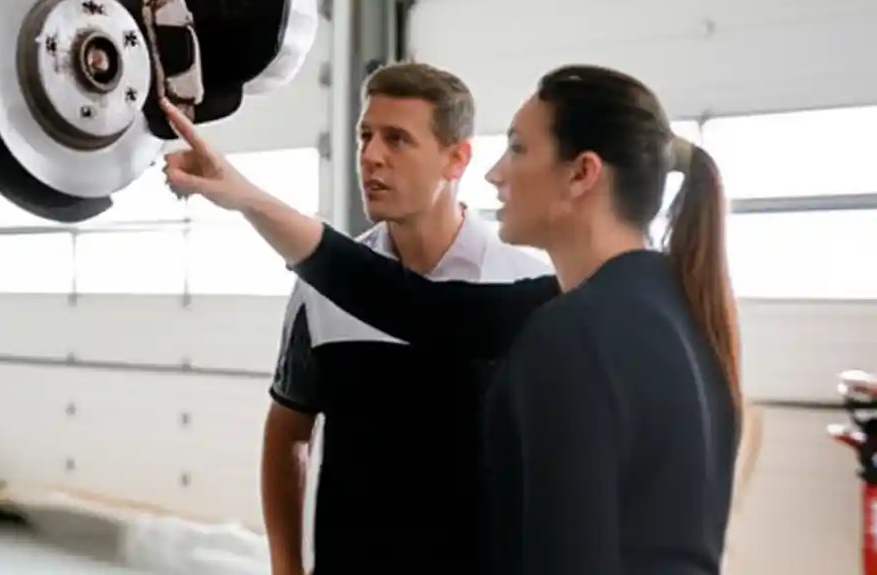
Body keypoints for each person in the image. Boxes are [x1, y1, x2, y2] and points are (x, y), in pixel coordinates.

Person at [159, 64, 741, 575]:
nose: (495, 174)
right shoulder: (660, 306)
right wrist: (244, 195)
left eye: (519, 149)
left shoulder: (576, 334)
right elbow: (418, 307)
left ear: (581, 174)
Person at [262, 63, 550, 575]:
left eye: (397, 139)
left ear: (456, 158)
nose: (371, 156)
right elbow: (288, 432)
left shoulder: (524, 286)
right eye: (365, 136)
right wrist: (287, 567)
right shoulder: (323, 286)